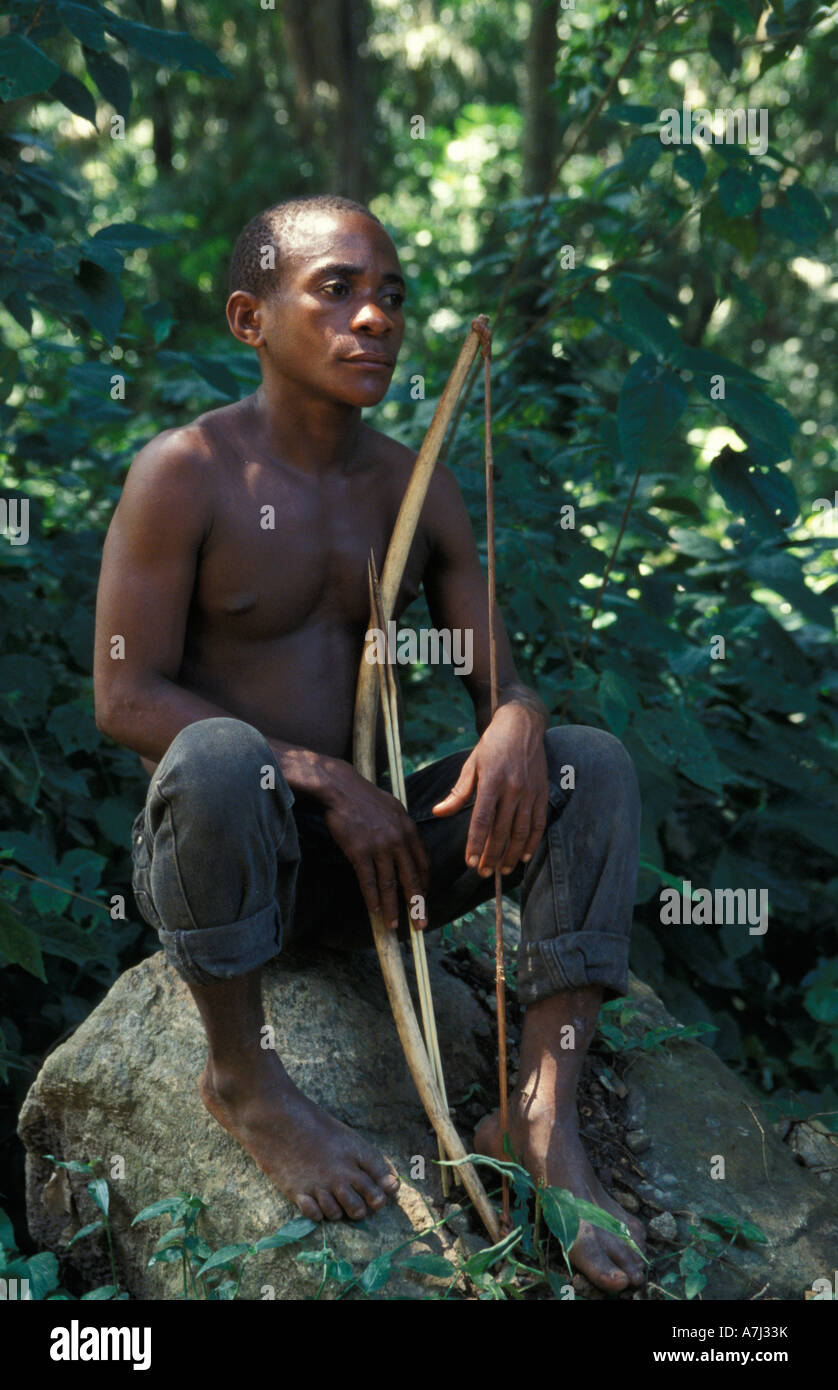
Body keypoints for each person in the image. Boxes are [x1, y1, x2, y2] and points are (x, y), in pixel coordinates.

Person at [93, 194, 645, 1292]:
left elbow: (502, 680)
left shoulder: (415, 487)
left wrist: (520, 721)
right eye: (336, 290)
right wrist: (314, 771)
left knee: (592, 761)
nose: (376, 318)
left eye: (390, 295)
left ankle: (538, 1118)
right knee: (217, 758)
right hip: (238, 854)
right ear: (252, 318)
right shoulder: (186, 471)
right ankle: (244, 1077)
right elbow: (124, 693)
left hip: (380, 865)